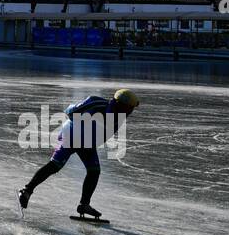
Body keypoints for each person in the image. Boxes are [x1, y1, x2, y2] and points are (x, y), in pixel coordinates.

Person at [18, 88, 140, 220]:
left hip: (87, 143)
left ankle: (84, 205)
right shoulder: (96, 103)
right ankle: (26, 191)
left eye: (131, 109)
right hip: (72, 135)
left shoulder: (120, 116)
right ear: (120, 104)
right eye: (129, 108)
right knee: (55, 165)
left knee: (94, 172)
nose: (130, 112)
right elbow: (70, 112)